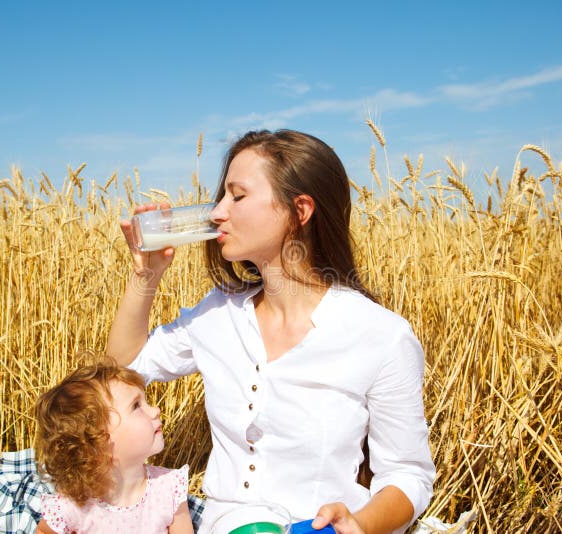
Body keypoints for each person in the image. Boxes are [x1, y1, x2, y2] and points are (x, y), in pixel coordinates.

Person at [107, 129, 435, 534]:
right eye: (222, 196)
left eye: (237, 196)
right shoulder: (219, 312)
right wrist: (146, 275)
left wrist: (360, 525)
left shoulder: (381, 335)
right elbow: (124, 367)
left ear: (300, 209)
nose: (216, 212)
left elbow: (407, 475)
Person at [34, 358, 194, 534]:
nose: (155, 410)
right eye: (136, 406)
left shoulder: (168, 489)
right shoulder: (74, 507)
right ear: (97, 441)